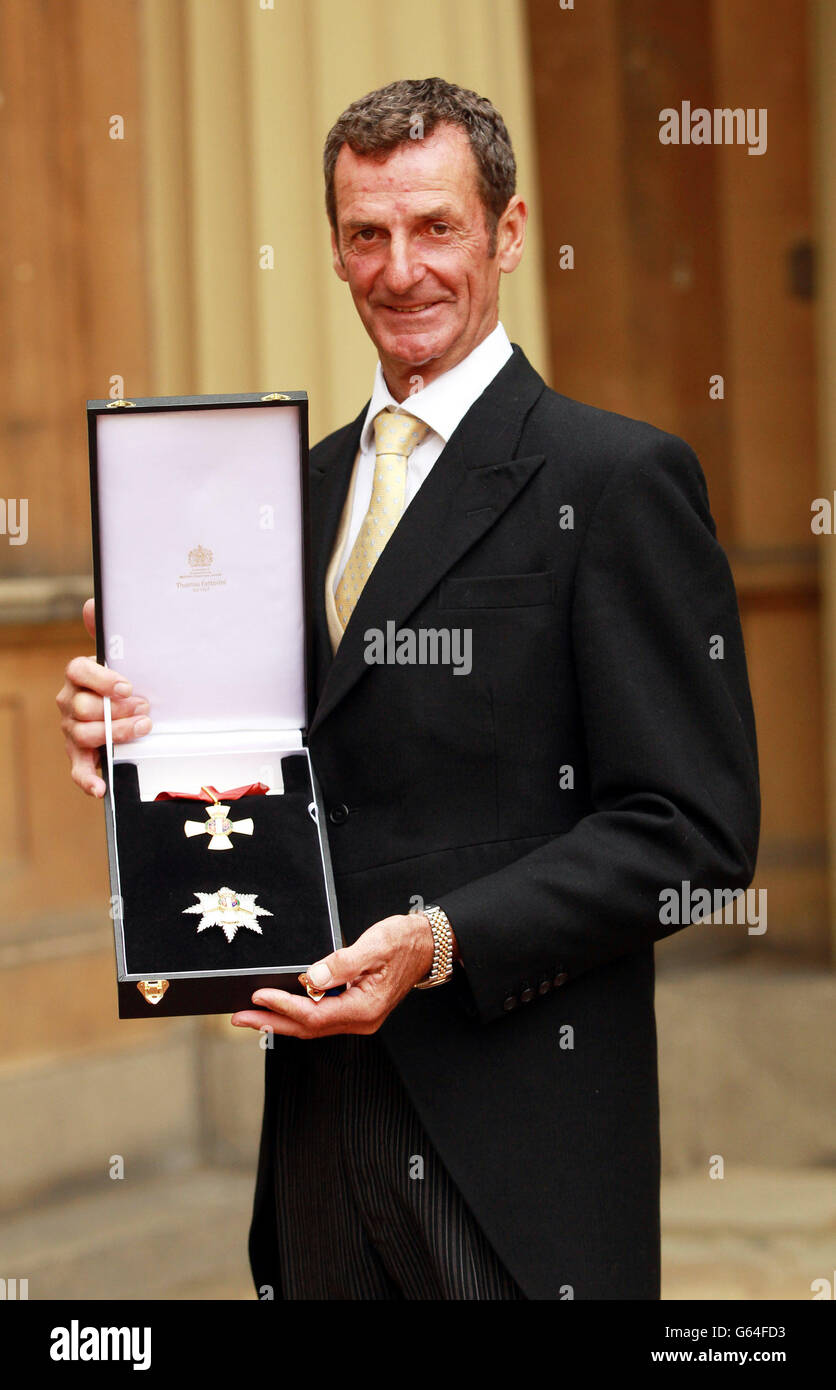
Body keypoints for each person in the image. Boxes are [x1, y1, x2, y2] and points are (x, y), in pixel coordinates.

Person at [56, 77, 759, 1300]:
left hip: (515, 1150)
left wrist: (439, 942)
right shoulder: (294, 492)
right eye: (366, 235)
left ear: (508, 230)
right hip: (319, 1139)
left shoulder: (617, 478)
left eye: (435, 227)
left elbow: (691, 834)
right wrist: (130, 741)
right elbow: (270, 765)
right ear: (334, 246)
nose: (401, 270)